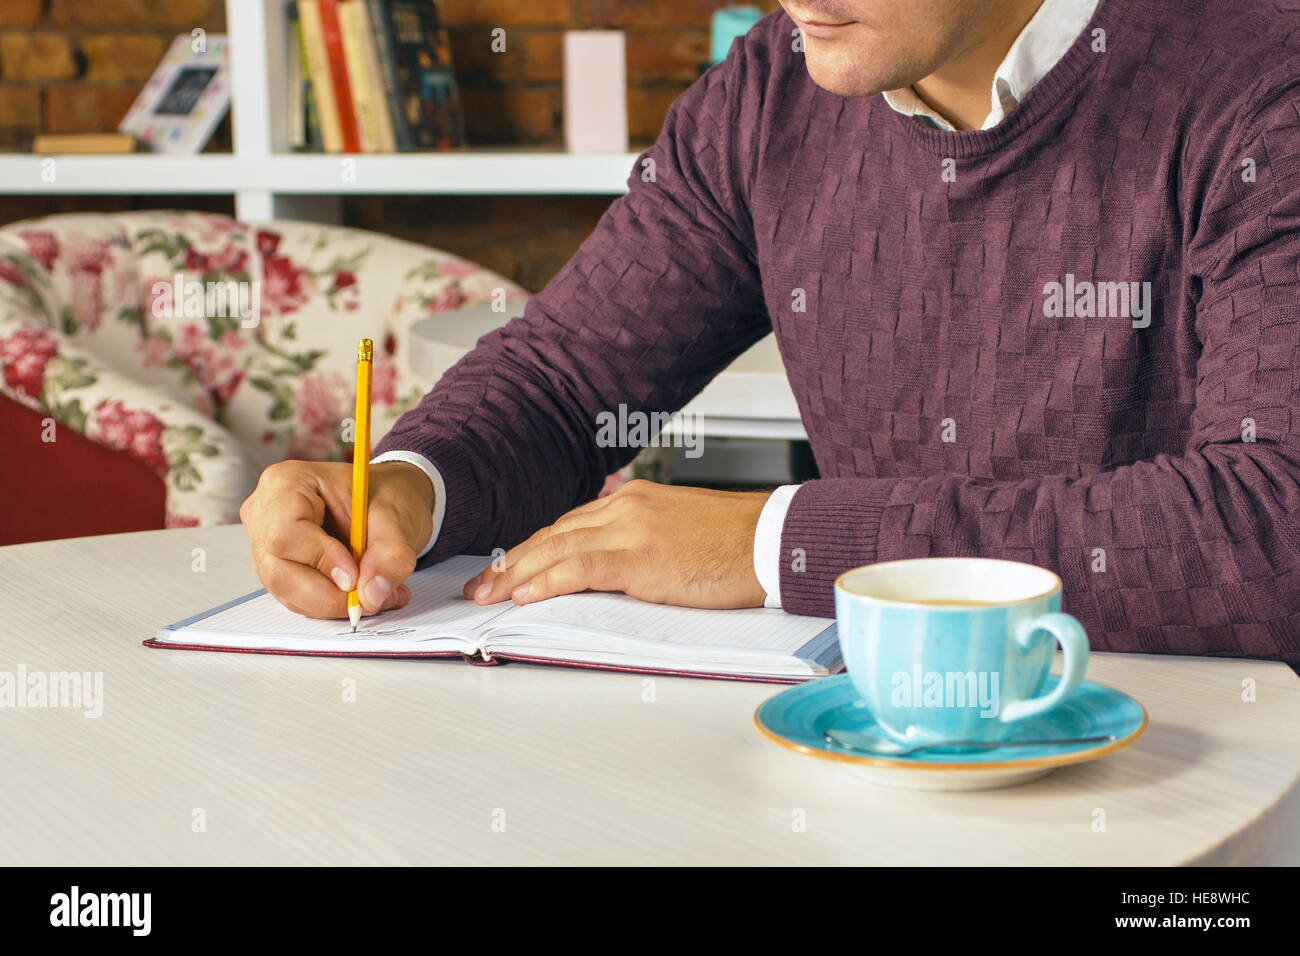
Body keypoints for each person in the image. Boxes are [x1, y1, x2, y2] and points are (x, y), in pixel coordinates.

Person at [240, 0, 1300, 668]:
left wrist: (772, 544)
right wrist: (409, 487)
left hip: (1207, 778)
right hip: (877, 757)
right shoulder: (769, 91)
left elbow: (1273, 527)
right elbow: (568, 377)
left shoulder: (1265, 81)